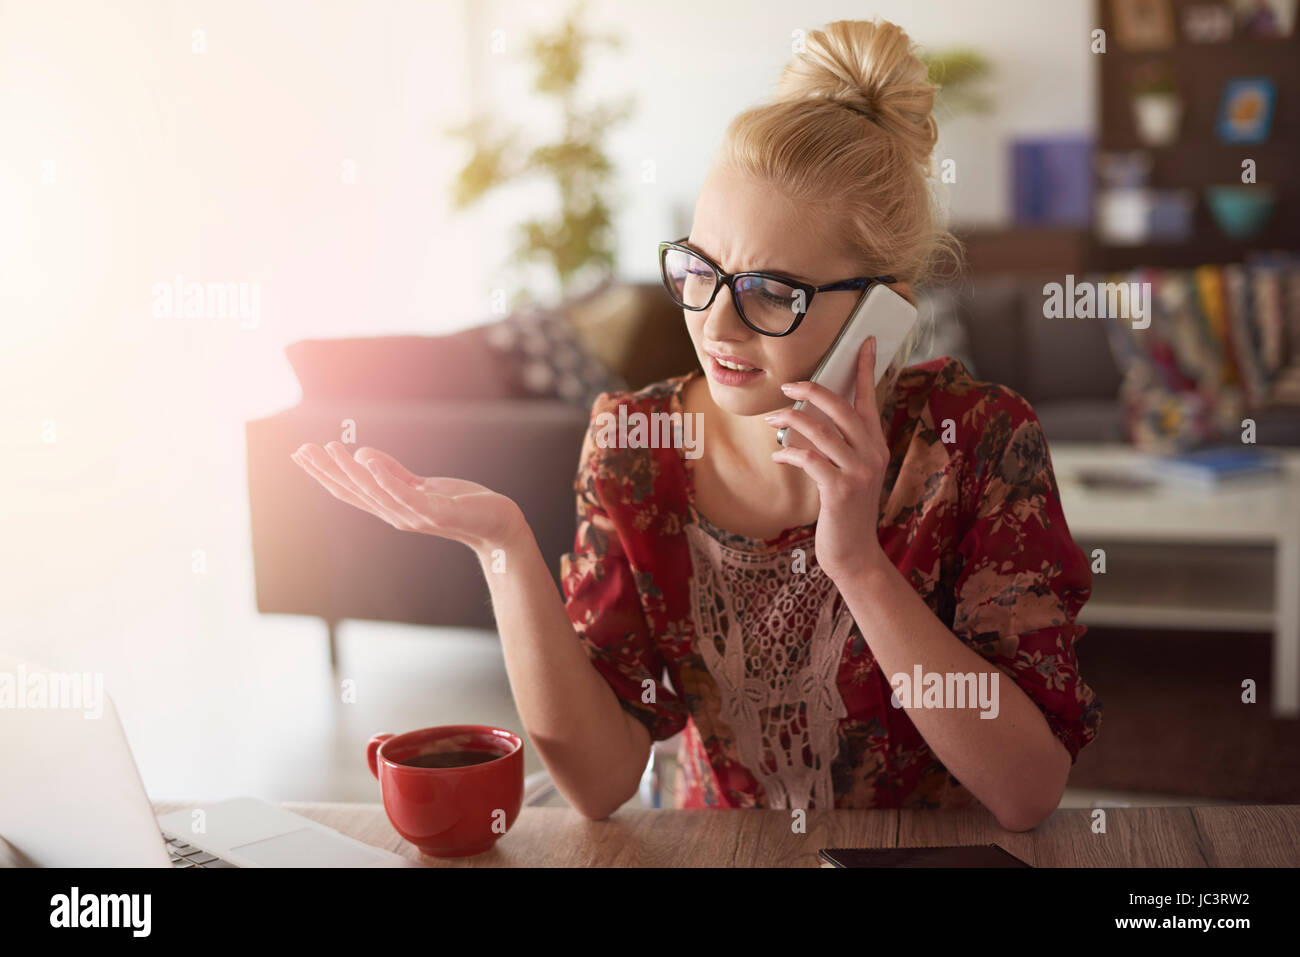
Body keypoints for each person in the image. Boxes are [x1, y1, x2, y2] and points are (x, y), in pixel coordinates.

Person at [290, 18, 1101, 830]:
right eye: (699, 271)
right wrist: (502, 546)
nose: (715, 326)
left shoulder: (981, 441)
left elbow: (1026, 790)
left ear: (881, 313)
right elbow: (600, 781)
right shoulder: (635, 451)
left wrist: (859, 565)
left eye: (770, 293)